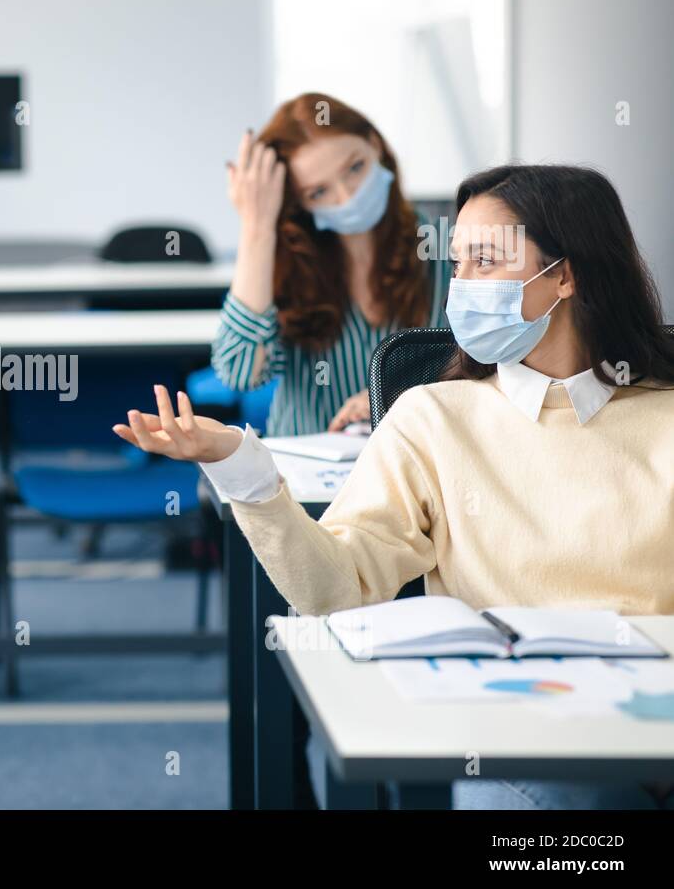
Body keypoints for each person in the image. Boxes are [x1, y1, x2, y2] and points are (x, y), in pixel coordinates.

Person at [117, 164, 674, 809]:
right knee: (583, 810)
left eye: (485, 261)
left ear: (565, 276)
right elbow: (338, 589)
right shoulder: (435, 417)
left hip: (654, 715)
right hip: (515, 734)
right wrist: (244, 468)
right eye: (458, 265)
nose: (461, 287)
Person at [214, 92, 451, 435]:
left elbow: (486, 366)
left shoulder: (445, 246)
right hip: (307, 472)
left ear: (376, 146)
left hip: (417, 466)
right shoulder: (284, 263)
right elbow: (240, 371)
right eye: (318, 192)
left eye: (355, 168)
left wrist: (393, 396)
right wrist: (257, 227)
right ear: (297, 202)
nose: (346, 196)